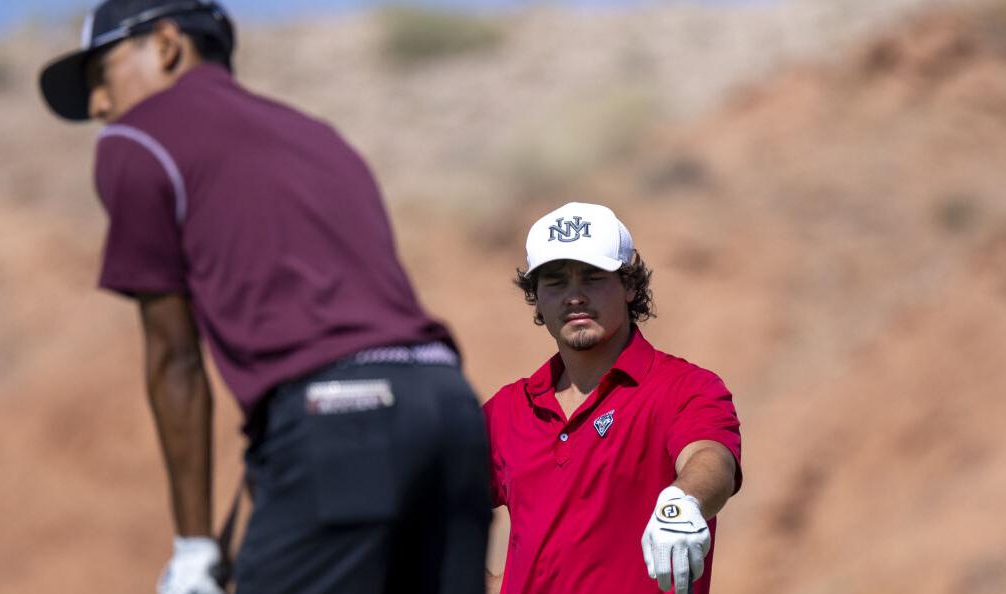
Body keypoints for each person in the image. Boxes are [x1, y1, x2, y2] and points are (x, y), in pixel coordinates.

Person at [37, 2, 492, 593]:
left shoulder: (136, 137)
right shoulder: (320, 137)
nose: (99, 105)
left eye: (102, 73)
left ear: (168, 44)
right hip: (451, 411)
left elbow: (175, 357)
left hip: (340, 421)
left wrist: (195, 547)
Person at [483, 202, 742, 594]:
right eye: (555, 282)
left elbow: (712, 459)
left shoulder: (685, 388)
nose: (574, 297)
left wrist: (683, 501)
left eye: (592, 277)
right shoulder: (507, 410)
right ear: (536, 297)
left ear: (629, 285)